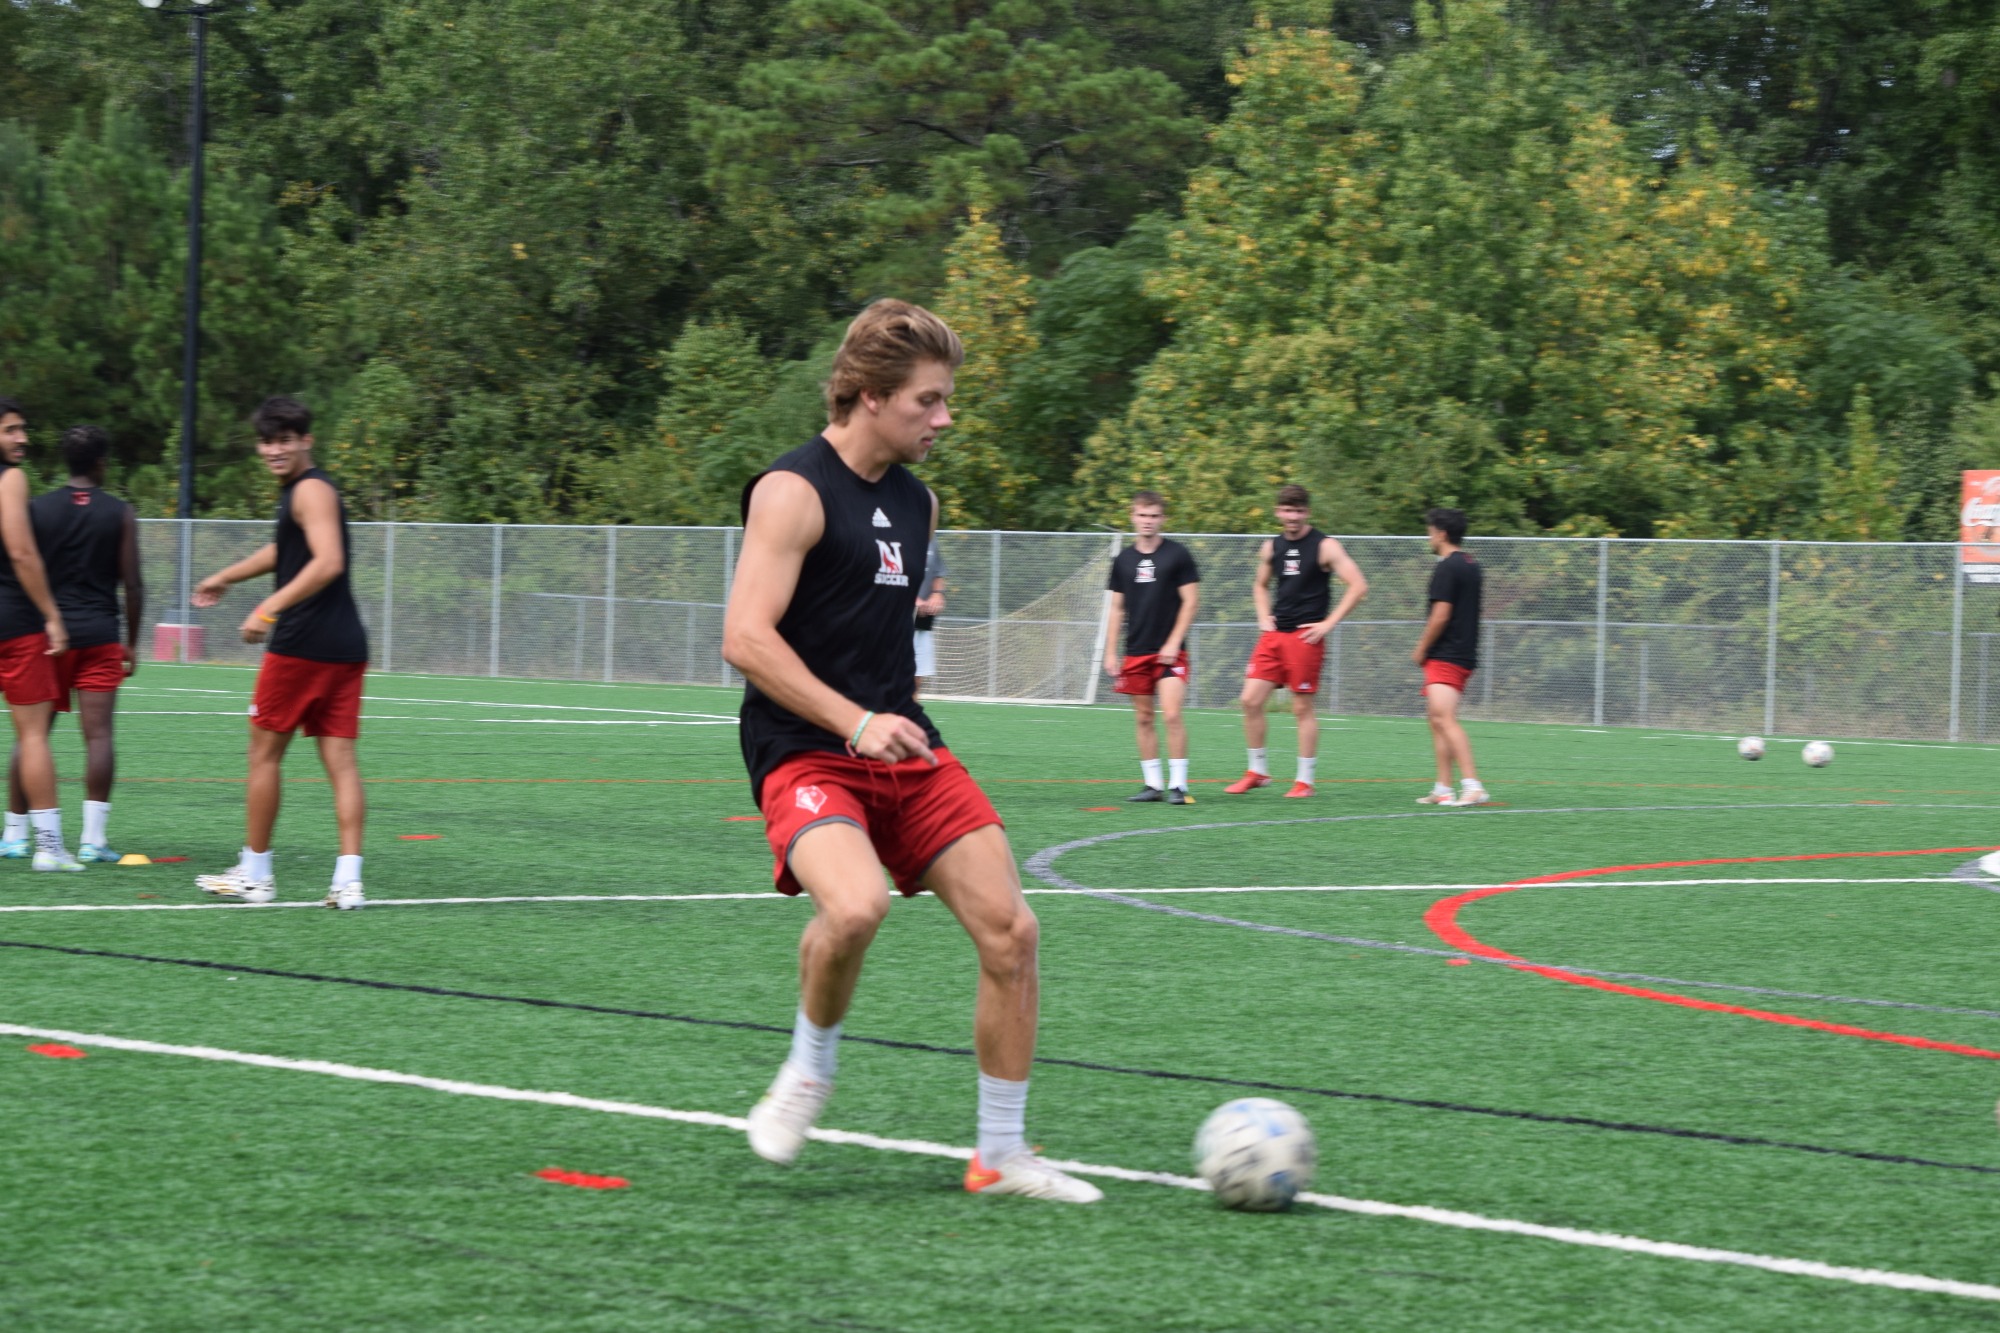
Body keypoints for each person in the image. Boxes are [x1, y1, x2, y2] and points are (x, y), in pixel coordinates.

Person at [723, 299, 1099, 1204]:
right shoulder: (792, 491)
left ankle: (1000, 1154)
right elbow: (746, 636)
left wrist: (893, 723)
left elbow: (881, 639)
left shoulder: (917, 501)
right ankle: (810, 1069)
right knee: (853, 909)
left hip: (905, 749)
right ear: (867, 395)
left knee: (1014, 930)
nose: (945, 418)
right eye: (929, 401)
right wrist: (853, 722)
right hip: (807, 749)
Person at [191, 396, 369, 909]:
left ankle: (256, 872)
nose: (275, 450)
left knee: (263, 756)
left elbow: (327, 562)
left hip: (303, 645)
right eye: (268, 441)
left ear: (306, 440)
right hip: (345, 645)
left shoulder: (308, 489)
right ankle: (348, 881)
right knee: (341, 763)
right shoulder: (310, 490)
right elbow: (287, 552)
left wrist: (268, 609)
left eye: (286, 440)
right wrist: (227, 576)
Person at [4, 425, 142, 863]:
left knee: (33, 737)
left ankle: (14, 834)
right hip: (101, 635)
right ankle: (93, 839)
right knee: (98, 735)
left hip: (49, 635)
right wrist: (132, 643)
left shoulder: (37, 508)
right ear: (102, 463)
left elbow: (22, 562)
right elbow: (134, 584)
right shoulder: (120, 512)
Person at [1224, 485, 1367, 799]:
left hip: (1305, 638)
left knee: (1301, 709)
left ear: (1308, 513)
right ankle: (1257, 771)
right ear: (1278, 512)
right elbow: (1260, 586)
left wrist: (1328, 624)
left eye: (1298, 511)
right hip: (1274, 636)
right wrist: (1263, 616)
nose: (1293, 517)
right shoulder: (1271, 547)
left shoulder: (1324, 546)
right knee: (1250, 701)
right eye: (1287, 510)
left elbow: (1358, 585)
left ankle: (1305, 781)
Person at [0, 397, 81, 871]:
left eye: (22, 429)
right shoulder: (11, 479)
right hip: (14, 623)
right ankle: (49, 849)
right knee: (33, 736)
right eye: (11, 430)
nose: (23, 439)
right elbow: (22, 553)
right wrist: (51, 613)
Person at [1103, 490, 1199, 804]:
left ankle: (1179, 786)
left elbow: (1190, 602)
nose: (1148, 521)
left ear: (1163, 519)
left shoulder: (1178, 555)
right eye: (1143, 515)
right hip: (1136, 650)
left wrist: (1173, 641)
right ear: (1133, 517)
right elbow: (1117, 609)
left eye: (1154, 516)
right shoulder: (1124, 560)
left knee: (1171, 714)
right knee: (1144, 718)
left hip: (1170, 652)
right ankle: (1153, 785)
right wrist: (1110, 651)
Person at [1413, 506, 1489, 807]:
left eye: (1430, 530)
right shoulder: (1471, 564)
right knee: (1436, 719)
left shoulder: (1447, 567)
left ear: (1441, 533)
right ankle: (1443, 788)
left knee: (1444, 718)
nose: (1428, 536)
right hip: (1460, 652)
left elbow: (1440, 615)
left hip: (1448, 654)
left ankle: (1473, 785)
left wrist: (1421, 648)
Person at [911, 536, 947, 700]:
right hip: (895, 618)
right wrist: (910, 598)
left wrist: (937, 594)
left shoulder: (931, 539)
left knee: (917, 676)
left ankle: (911, 714)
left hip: (922, 619)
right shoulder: (894, 535)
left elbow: (938, 573)